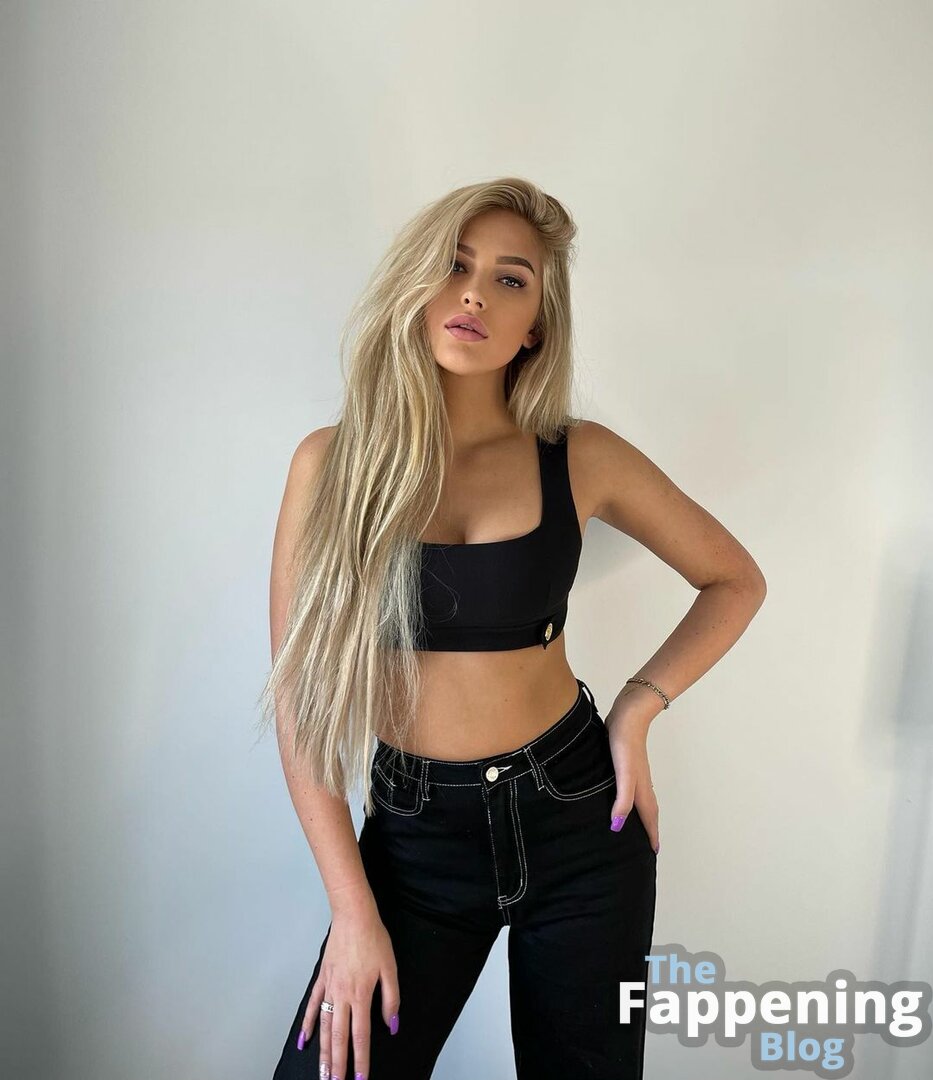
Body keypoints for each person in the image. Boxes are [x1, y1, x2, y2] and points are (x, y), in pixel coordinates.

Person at [262, 177, 767, 1080]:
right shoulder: (331, 464)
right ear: (416, 284)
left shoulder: (580, 455)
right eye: (454, 267)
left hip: (578, 816)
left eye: (509, 279)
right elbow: (301, 707)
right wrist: (351, 909)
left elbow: (733, 579)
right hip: (415, 843)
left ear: (535, 324)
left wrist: (636, 710)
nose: (473, 296)